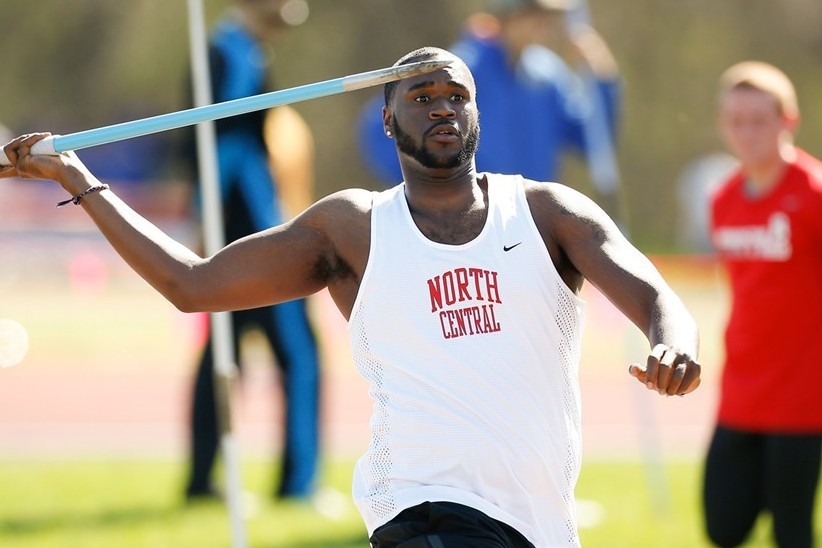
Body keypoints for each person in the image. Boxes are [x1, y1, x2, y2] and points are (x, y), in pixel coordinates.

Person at [2, 46, 701, 547]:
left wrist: (674, 342)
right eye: (421, 99)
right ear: (389, 123)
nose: (443, 108)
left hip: (540, 523)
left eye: (456, 95)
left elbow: (653, 296)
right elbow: (192, 284)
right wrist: (77, 179)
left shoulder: (547, 212)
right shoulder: (353, 228)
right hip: (424, 512)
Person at [181, 0, 320, 501]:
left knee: (224, 355)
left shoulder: (240, 51)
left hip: (243, 232)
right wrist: (213, 220)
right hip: (254, 239)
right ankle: (298, 486)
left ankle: (202, 483)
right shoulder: (229, 54)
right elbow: (219, 149)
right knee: (297, 357)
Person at [703, 61, 822, 548]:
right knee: (723, 527)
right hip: (741, 391)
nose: (747, 131)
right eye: (736, 120)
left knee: (791, 532)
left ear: (787, 120)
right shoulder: (723, 198)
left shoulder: (813, 195)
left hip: (802, 397)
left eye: (759, 119)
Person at [357, 0, 621, 192]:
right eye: (535, 13)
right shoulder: (461, 69)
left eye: (550, 16)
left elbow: (591, 143)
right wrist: (433, 190)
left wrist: (604, 81)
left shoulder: (548, 75)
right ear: (509, 15)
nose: (547, 24)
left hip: (532, 221)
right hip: (468, 222)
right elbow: (380, 129)